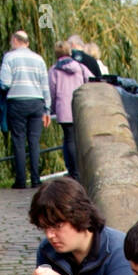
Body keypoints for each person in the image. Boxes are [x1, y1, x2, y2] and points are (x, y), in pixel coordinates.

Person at [0, 30, 51, 189]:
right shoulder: (39, 59)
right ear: (27, 42)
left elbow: (4, 83)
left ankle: (21, 180)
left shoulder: (9, 57)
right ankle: (36, 179)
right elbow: (45, 86)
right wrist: (47, 108)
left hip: (17, 102)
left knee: (19, 141)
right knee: (34, 142)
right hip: (36, 103)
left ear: (15, 40)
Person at [48, 42, 93, 181]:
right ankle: (82, 168)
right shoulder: (80, 67)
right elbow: (90, 82)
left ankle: (73, 171)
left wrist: (52, 108)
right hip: (79, 106)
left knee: (68, 139)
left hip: (64, 108)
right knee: (79, 138)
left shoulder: (54, 70)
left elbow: (51, 91)